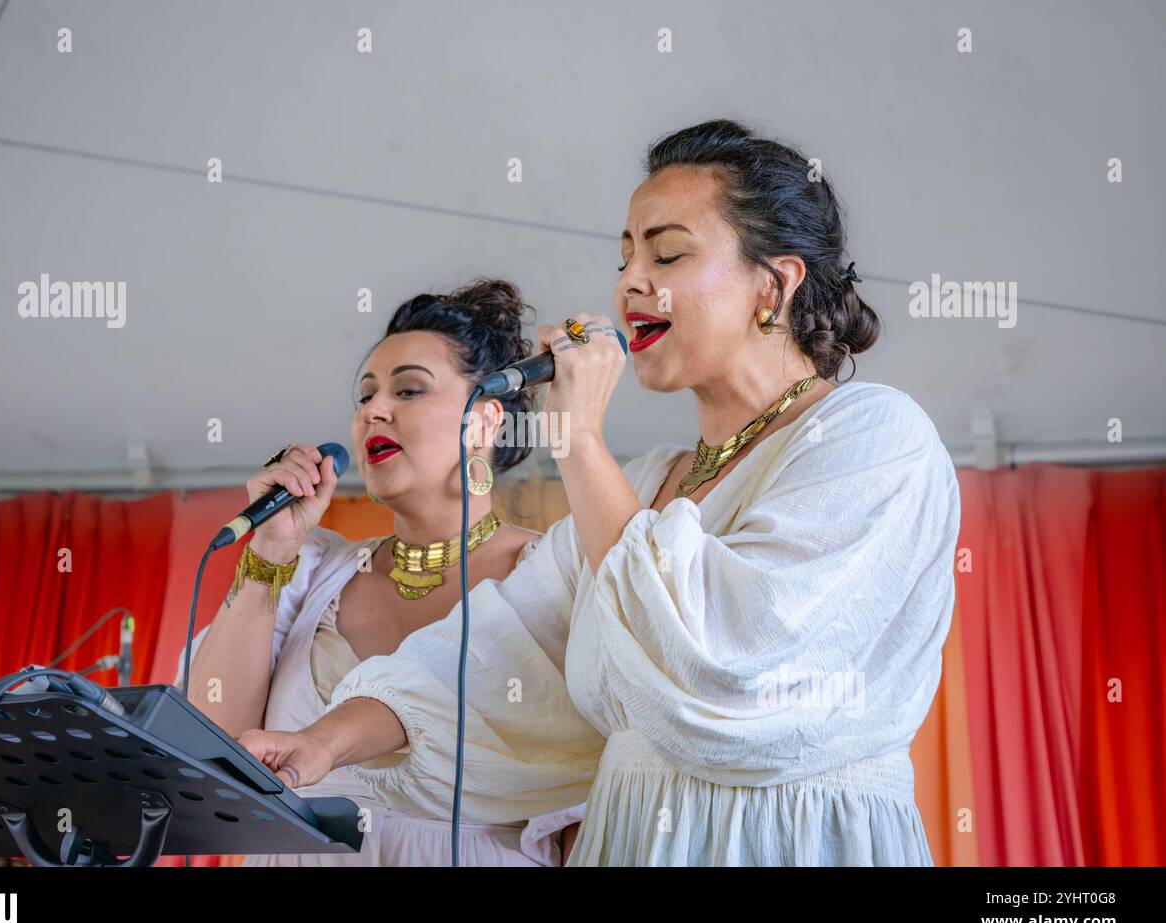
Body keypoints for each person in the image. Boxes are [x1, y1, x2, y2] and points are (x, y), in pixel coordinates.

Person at [258, 119, 962, 866]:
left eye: (667, 253)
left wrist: (580, 441)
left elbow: (727, 670)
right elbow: (487, 660)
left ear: (775, 283)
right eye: (625, 256)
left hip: (788, 842)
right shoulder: (651, 480)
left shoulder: (874, 437)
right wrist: (317, 743)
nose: (630, 283)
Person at [180, 278, 595, 866]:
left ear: (483, 423)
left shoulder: (556, 573)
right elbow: (214, 749)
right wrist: (269, 553)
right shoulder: (311, 571)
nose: (374, 409)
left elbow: (590, 794)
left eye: (409, 391)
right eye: (366, 395)